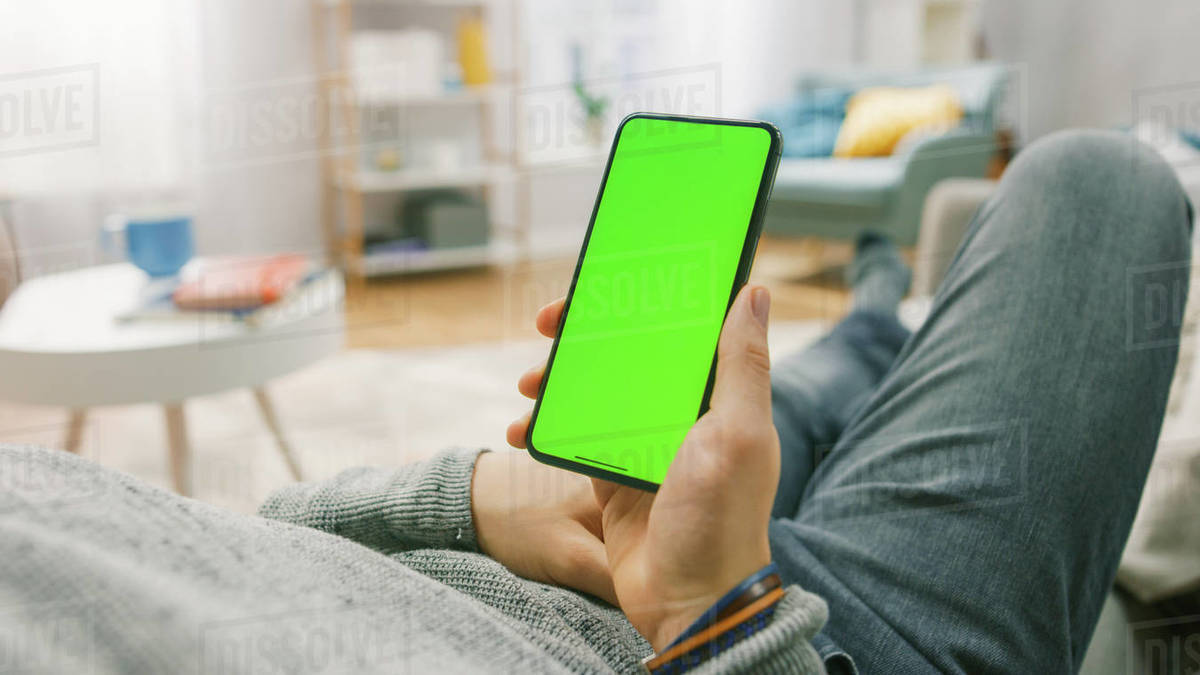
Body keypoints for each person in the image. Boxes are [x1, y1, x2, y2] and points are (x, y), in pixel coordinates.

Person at [0, 130, 1191, 674]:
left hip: (576, 543)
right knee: (1097, 181)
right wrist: (714, 615)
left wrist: (460, 499)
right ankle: (880, 311)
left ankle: (878, 309)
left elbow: (217, 549)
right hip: (769, 644)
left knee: (764, 422)